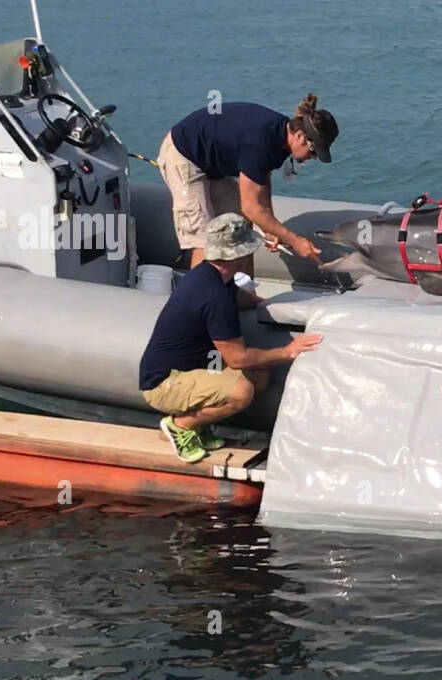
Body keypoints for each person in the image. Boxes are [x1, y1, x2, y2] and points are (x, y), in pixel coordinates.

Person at [139, 213, 322, 462]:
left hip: (194, 367)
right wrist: (288, 351)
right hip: (164, 383)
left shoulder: (212, 274)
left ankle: (200, 424)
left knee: (259, 375)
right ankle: (180, 426)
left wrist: (269, 305)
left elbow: (239, 297)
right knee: (241, 391)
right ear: (238, 254)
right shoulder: (213, 297)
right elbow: (238, 358)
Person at [157, 94, 338, 274]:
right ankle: (199, 298)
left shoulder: (281, 136)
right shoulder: (259, 143)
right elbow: (251, 207)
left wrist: (270, 225)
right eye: (313, 151)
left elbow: (262, 178)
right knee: (205, 241)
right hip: (183, 156)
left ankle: (243, 293)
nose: (313, 158)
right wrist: (295, 241)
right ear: (299, 136)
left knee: (240, 230)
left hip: (211, 165)